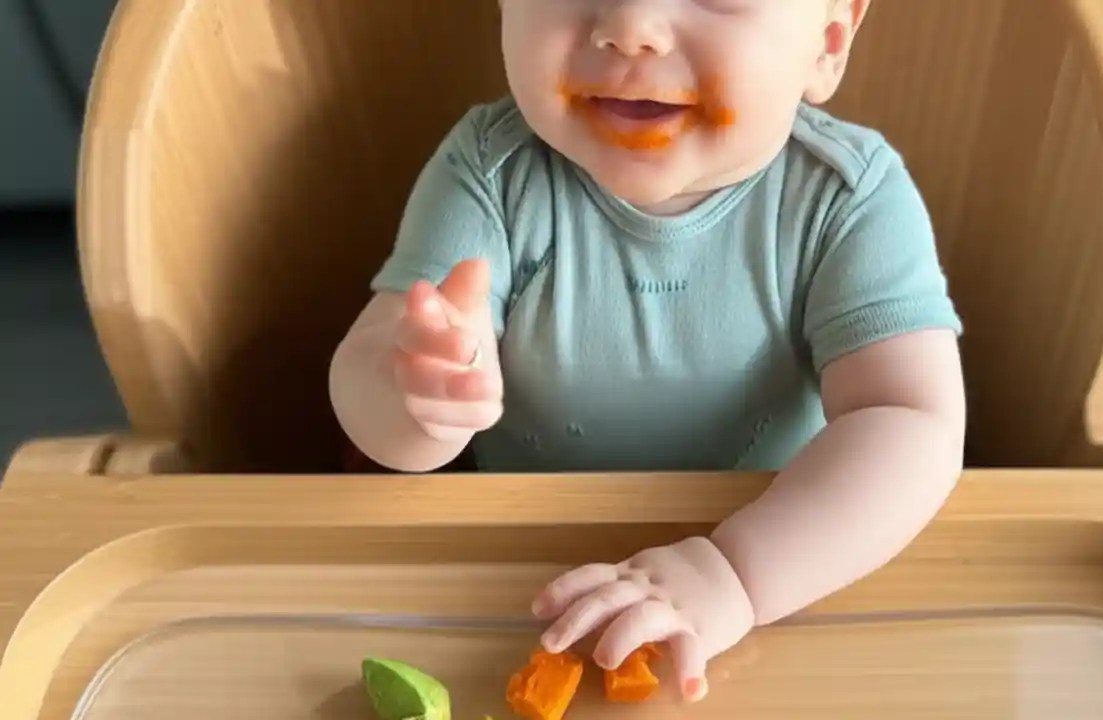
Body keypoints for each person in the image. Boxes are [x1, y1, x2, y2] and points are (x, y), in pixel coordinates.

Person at [330, 0, 965, 703]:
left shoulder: (848, 198)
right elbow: (379, 391)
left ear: (828, 40)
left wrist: (736, 575)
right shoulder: (491, 171)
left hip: (784, 564)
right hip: (525, 581)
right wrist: (414, 397)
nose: (629, 26)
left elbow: (911, 423)